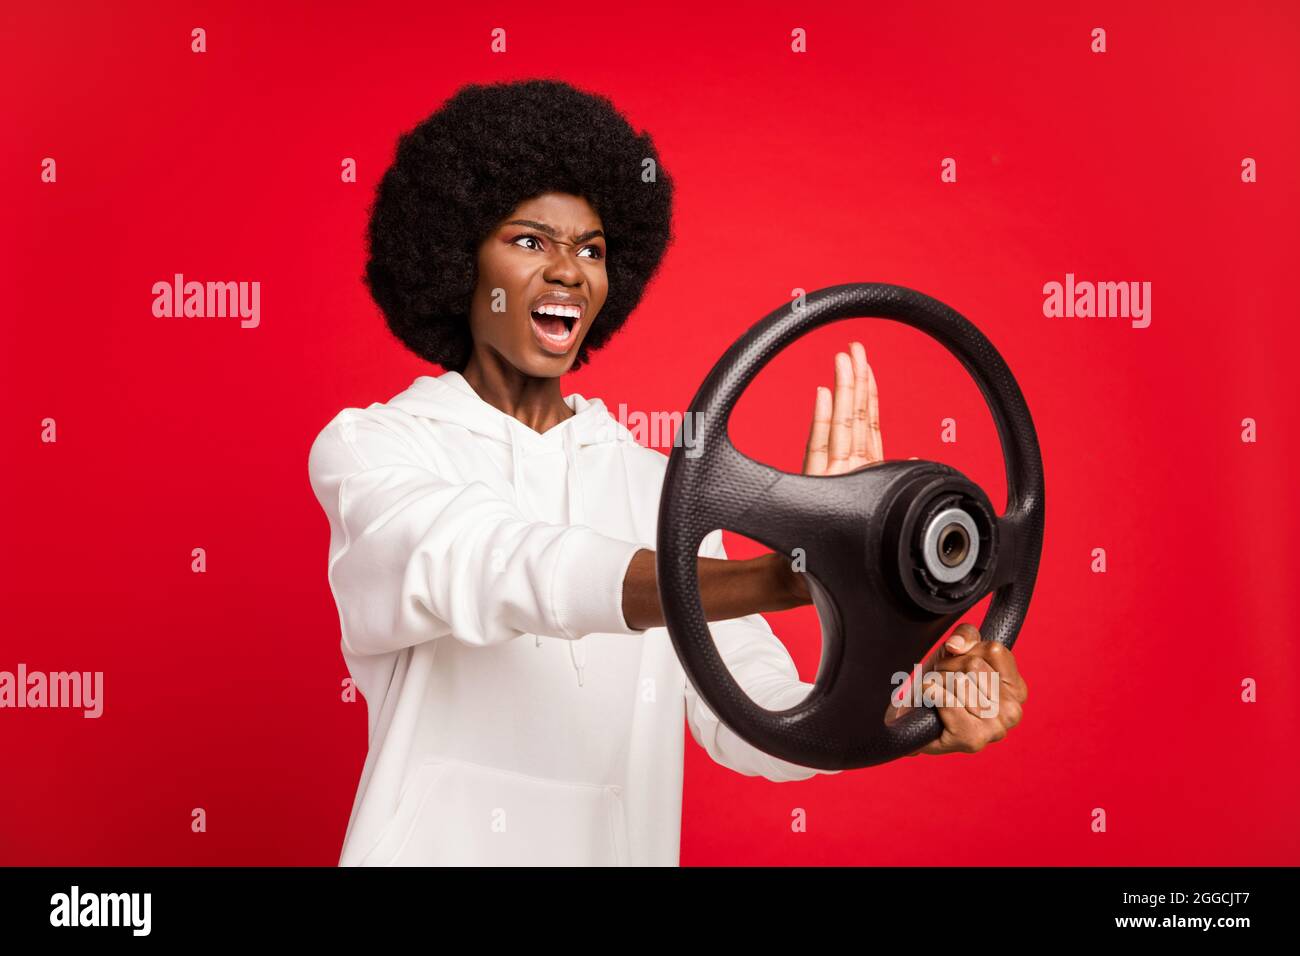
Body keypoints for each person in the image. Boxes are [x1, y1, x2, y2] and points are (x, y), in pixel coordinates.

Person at [307, 79, 1028, 866]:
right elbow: (494, 565)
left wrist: (917, 701)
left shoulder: (667, 488)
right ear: (455, 258)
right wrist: (788, 572)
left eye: (592, 250)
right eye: (529, 241)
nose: (569, 272)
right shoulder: (375, 447)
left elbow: (758, 720)